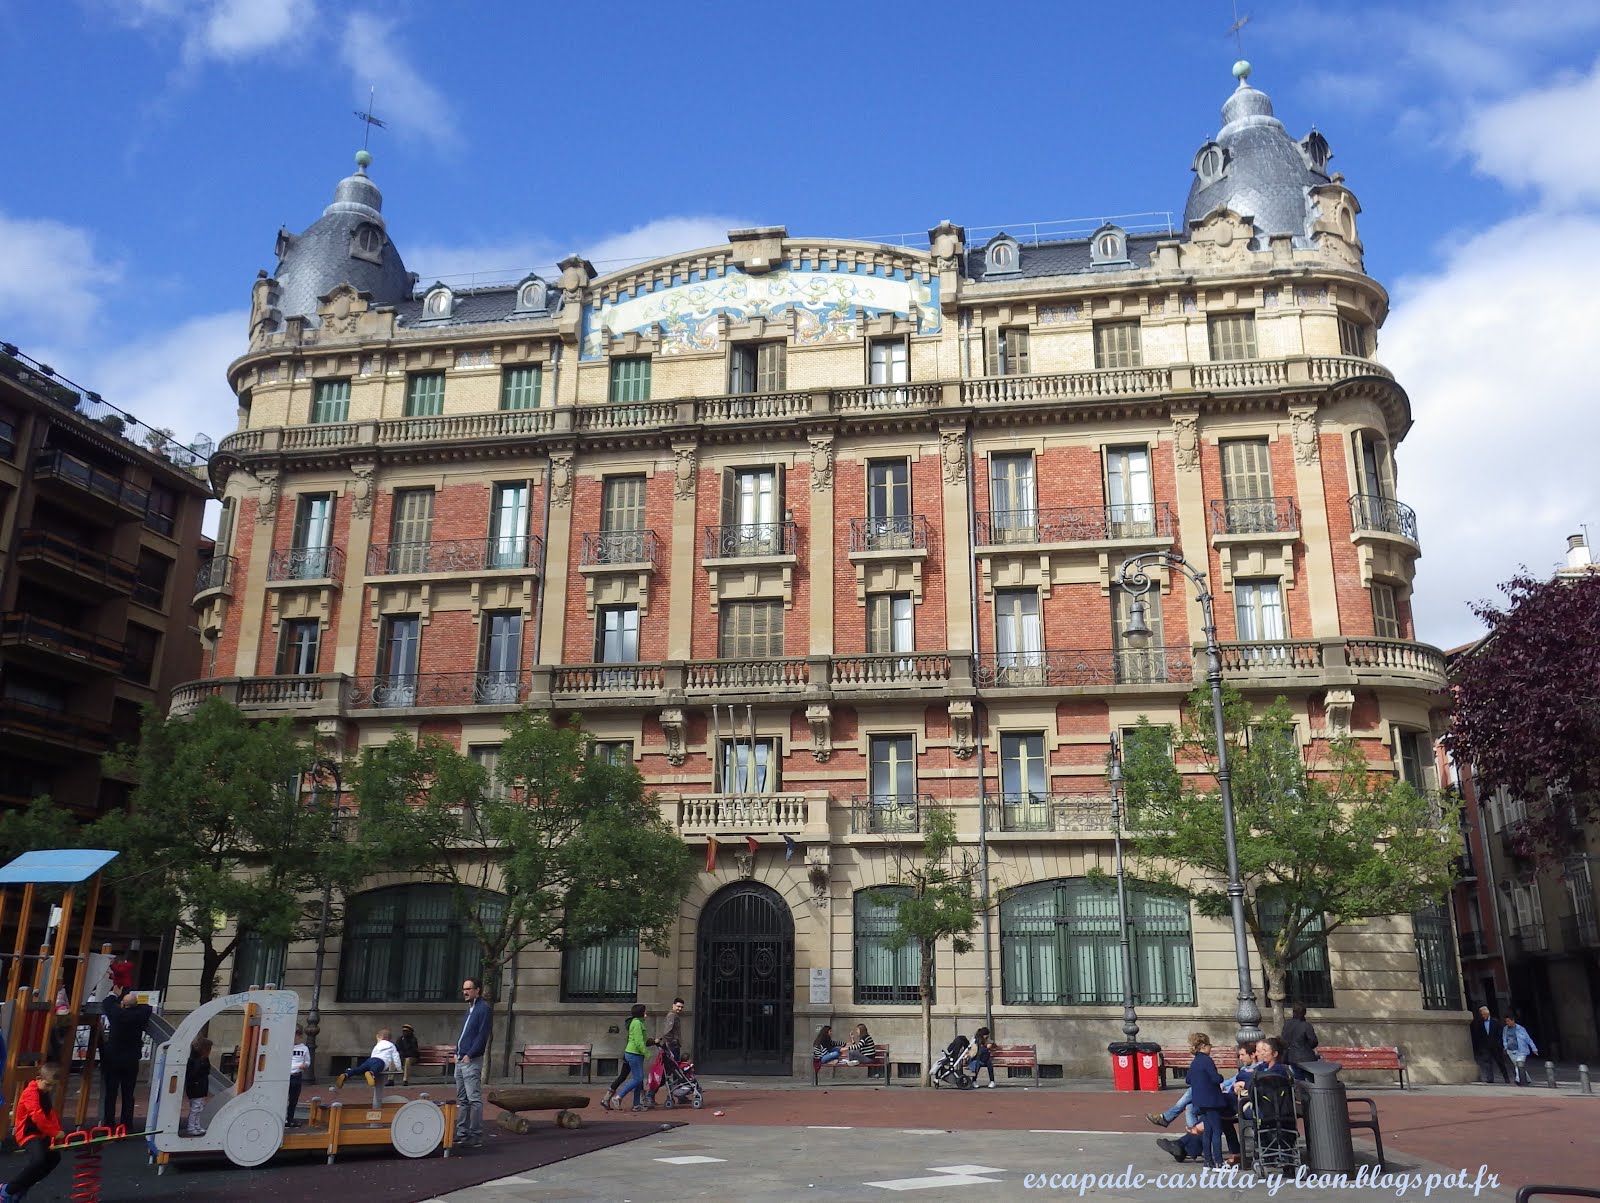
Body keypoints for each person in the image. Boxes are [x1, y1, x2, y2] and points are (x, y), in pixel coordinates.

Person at [2, 1064, 64, 1202]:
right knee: (38, 1160)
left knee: (54, 1158)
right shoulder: (31, 1093)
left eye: (53, 1086)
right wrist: (54, 1132)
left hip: (41, 1134)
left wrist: (58, 1131)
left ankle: (20, 1188)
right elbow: (38, 1116)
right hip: (27, 1134)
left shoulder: (44, 1093)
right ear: (38, 1079)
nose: (50, 1089)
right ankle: (7, 1190)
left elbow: (50, 1114)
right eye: (48, 1085)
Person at [1171, 1032, 1227, 1170]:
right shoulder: (1207, 1060)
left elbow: (1188, 1079)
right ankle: (1219, 1162)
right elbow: (1215, 1078)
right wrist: (1220, 1078)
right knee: (1216, 1130)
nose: (1210, 1048)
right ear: (1203, 1046)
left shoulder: (1195, 1061)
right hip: (1212, 1100)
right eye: (1209, 1046)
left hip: (1199, 1100)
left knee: (1207, 1131)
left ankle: (1208, 1162)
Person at [100, 988, 153, 1129]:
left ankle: (109, 1123)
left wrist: (115, 994)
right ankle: (126, 1124)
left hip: (113, 1059)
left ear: (123, 1004)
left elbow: (107, 1003)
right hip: (131, 1059)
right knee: (128, 1093)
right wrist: (134, 1003)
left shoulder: (116, 1014)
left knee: (111, 1093)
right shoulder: (140, 1014)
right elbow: (147, 1007)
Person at [454, 978, 492, 1147]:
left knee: (473, 1099)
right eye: (464, 989)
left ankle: (475, 1134)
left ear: (478, 990)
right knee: (462, 1099)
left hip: (470, 1060)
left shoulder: (483, 1009)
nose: (465, 992)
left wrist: (470, 1054)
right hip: (460, 1059)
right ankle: (462, 1132)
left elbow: (482, 1035)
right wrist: (457, 1052)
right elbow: (464, 1034)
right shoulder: (469, 1010)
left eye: (469, 989)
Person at [646, 998, 687, 1107]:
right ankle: (650, 1095)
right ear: (673, 1005)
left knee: (674, 1072)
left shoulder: (674, 1016)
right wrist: (672, 1043)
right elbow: (667, 1033)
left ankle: (679, 1096)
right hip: (671, 1048)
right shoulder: (672, 1016)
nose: (679, 1009)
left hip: (672, 1047)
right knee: (669, 1072)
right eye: (678, 1006)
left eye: (681, 1007)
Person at [335, 1027, 402, 1089]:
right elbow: (396, 1057)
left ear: (380, 1037)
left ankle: (347, 1074)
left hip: (370, 1060)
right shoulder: (391, 1045)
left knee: (359, 1069)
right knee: (375, 1069)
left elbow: (373, 1054)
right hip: (381, 1061)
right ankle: (371, 1073)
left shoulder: (377, 1045)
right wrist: (399, 1069)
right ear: (389, 1039)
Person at [615, 1003, 650, 1113]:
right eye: (645, 1011)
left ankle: (637, 1104)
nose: (646, 1013)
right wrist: (646, 1052)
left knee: (638, 1080)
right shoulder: (637, 1023)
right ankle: (618, 1096)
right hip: (634, 1053)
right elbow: (639, 1041)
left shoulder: (638, 1023)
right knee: (638, 1079)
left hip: (635, 1053)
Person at [1468, 1005, 1512, 1084]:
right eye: (1482, 1014)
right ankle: (1490, 1078)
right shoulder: (1480, 1023)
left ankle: (1506, 1078)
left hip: (1496, 1046)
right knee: (1487, 1062)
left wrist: (1499, 1043)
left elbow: (1499, 1033)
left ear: (1488, 1014)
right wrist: (1480, 1046)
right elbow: (1478, 1034)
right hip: (1485, 1046)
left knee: (1500, 1062)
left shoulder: (1495, 1021)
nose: (1483, 1016)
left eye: (1484, 1014)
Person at [1280, 1005, 1318, 1081]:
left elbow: (1284, 1039)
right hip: (1306, 1057)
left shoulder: (1287, 1024)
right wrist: (1307, 1047)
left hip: (1292, 1056)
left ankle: (1300, 1091)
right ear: (1304, 1013)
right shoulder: (1306, 1025)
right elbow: (1313, 1041)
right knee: (1311, 1080)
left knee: (1298, 1079)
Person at [184, 1037, 213, 1137]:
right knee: (195, 1107)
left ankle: (196, 1125)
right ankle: (191, 1127)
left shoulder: (199, 1059)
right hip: (196, 1085)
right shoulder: (196, 1060)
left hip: (199, 1085)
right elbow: (195, 1073)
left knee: (198, 1107)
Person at [1502, 1014, 1539, 1086]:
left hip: (1521, 1050)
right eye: (1506, 1021)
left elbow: (1528, 1039)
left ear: (1513, 1020)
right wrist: (1505, 1046)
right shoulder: (1505, 1029)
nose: (1507, 1023)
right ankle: (1527, 1079)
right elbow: (1504, 1038)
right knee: (1518, 1065)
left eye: (1508, 1021)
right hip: (1511, 1050)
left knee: (1519, 1063)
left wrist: (1534, 1048)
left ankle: (1518, 1079)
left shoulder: (1521, 1029)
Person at [286, 1026, 311, 1126]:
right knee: (283, 1099)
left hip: (297, 1075)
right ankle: (283, 1118)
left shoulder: (304, 1048)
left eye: (295, 1036)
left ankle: (290, 1119)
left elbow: (308, 1061)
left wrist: (305, 1065)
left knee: (293, 1099)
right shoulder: (286, 1046)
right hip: (286, 1076)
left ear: (299, 1036)